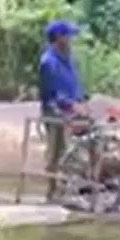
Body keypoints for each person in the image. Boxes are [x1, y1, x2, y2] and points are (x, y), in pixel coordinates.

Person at [39, 19, 88, 201]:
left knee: (75, 151)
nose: (70, 40)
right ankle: (52, 192)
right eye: (68, 36)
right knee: (56, 152)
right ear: (59, 38)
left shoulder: (69, 59)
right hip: (55, 113)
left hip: (74, 111)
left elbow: (75, 85)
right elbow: (51, 92)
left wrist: (81, 101)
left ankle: (71, 188)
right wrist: (69, 105)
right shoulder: (48, 62)